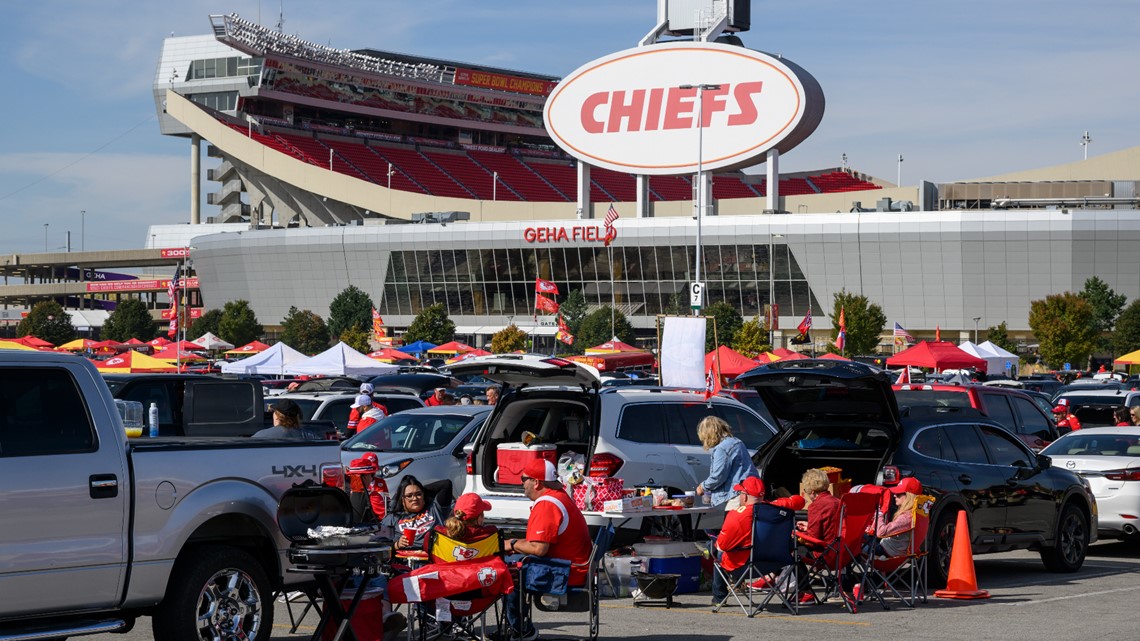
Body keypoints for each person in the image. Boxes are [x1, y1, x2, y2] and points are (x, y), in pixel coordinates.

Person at [501, 459, 590, 641]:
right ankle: (518, 627)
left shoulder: (547, 504)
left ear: (537, 482)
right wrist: (515, 544)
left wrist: (510, 544)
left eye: (524, 479)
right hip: (573, 565)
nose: (522, 483)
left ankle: (521, 630)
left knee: (506, 575)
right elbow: (539, 543)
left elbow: (539, 548)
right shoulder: (559, 496)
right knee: (515, 562)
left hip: (566, 572)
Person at [711, 477, 805, 605]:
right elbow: (800, 501)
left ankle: (719, 598)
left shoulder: (736, 515)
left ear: (744, 496)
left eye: (740, 493)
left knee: (714, 549)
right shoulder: (777, 508)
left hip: (745, 566)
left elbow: (722, 546)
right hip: (778, 562)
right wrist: (779, 501)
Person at [695, 416, 759, 510]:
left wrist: (703, 487)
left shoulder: (721, 448)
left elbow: (718, 476)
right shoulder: (737, 441)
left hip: (737, 495)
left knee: (731, 523)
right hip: (751, 492)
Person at [386, 475, 445, 560]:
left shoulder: (434, 508)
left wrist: (422, 490)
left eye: (418, 494)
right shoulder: (393, 518)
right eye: (409, 496)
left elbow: (446, 484)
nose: (414, 498)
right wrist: (397, 545)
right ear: (402, 499)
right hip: (406, 562)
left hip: (433, 557)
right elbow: (378, 543)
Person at [869, 477, 922, 558]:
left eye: (899, 493)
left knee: (855, 542)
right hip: (896, 549)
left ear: (909, 496)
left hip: (886, 552)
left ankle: (846, 568)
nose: (894, 495)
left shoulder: (906, 517)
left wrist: (879, 513)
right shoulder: (919, 514)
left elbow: (881, 533)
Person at [252, 399, 318, 439]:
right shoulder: (309, 436)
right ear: (296, 417)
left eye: (274, 412)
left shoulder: (261, 435)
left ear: (277, 416)